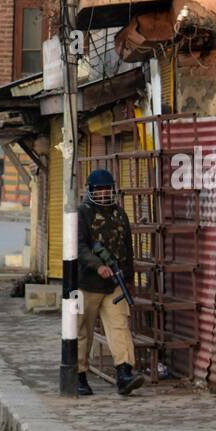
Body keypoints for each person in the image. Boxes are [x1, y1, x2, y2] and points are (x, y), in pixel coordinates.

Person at [77, 168, 145, 397]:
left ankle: (124, 373)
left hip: (115, 283)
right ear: (92, 191)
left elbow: (127, 248)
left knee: (119, 327)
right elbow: (80, 247)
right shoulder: (82, 213)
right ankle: (80, 375)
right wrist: (98, 266)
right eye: (100, 190)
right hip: (86, 284)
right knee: (81, 331)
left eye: (108, 189)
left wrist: (129, 278)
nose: (105, 193)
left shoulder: (119, 214)